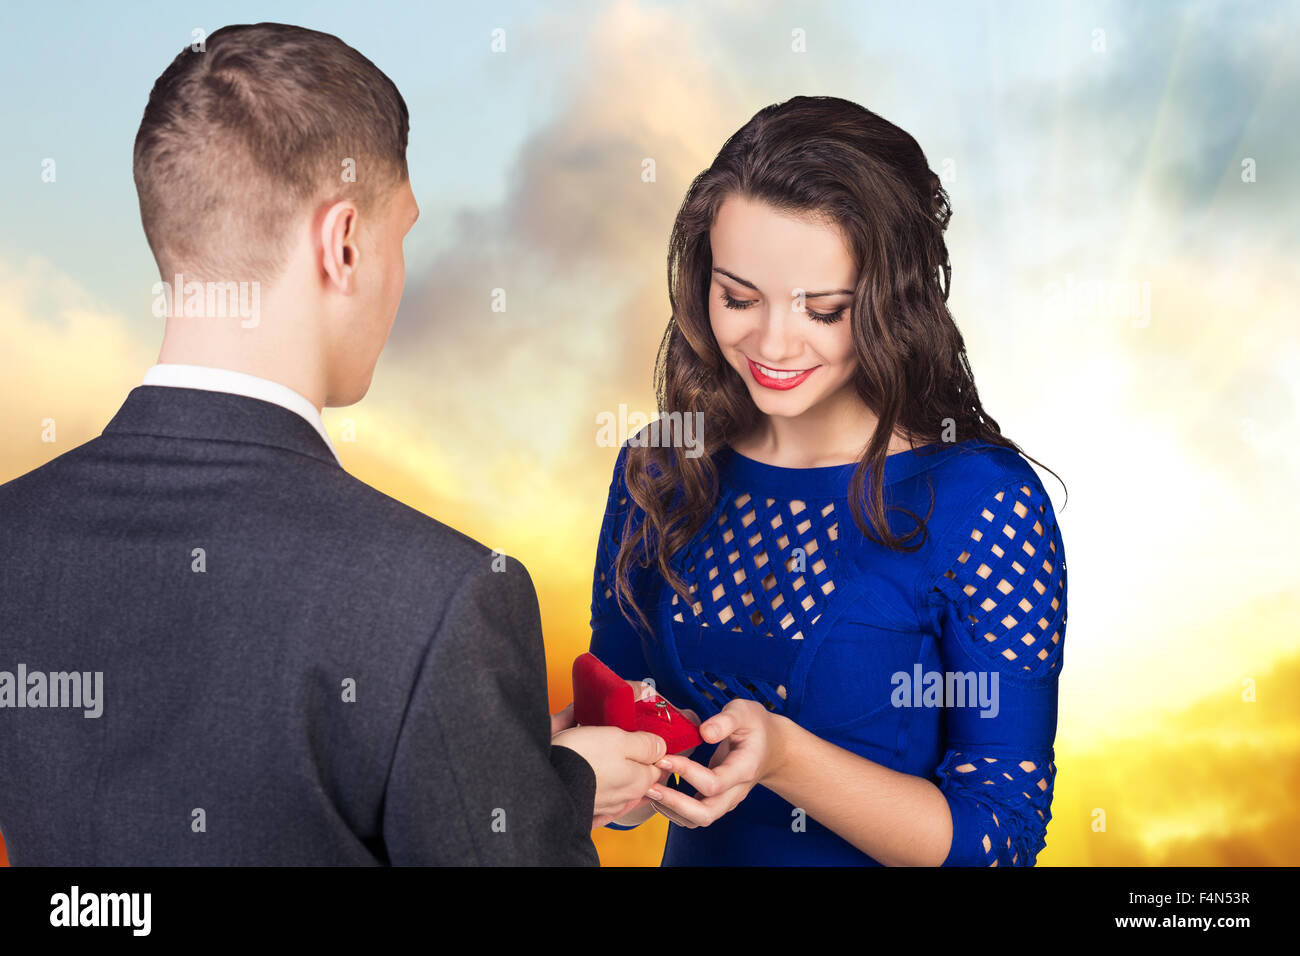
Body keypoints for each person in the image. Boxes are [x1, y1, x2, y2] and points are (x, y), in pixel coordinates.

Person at [0, 22, 665, 866]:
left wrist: (485, 752)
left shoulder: (13, 534)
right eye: (402, 235)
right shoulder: (445, 596)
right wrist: (554, 794)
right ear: (342, 243)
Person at [589, 95, 1069, 866]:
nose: (773, 342)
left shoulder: (983, 501)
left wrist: (787, 759)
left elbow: (1001, 837)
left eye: (825, 310)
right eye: (738, 297)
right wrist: (566, 768)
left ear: (892, 302)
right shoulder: (660, 469)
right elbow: (619, 761)